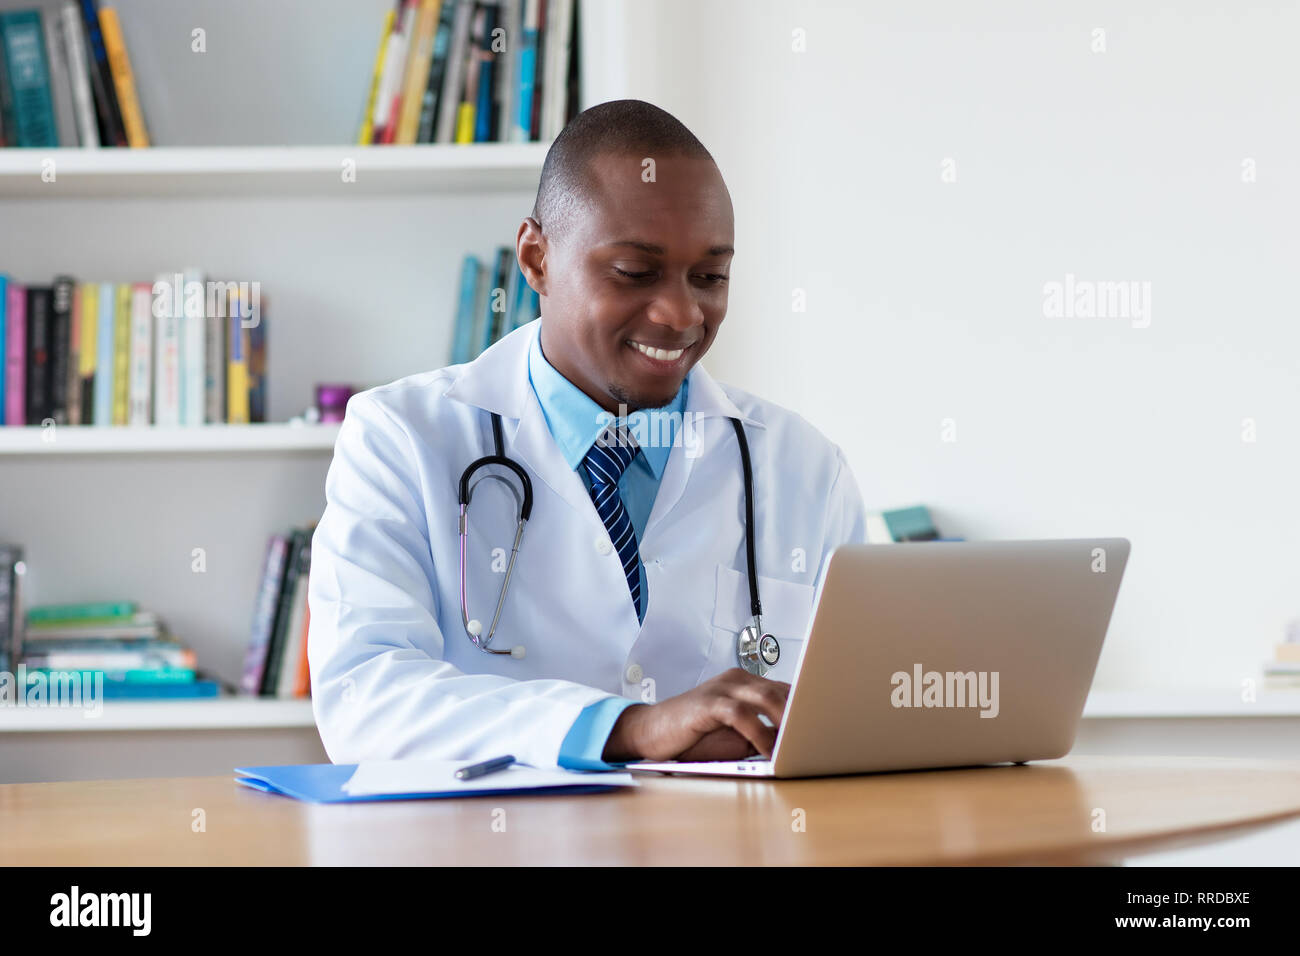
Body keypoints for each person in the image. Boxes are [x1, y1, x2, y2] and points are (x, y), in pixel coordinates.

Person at [307, 99, 867, 770]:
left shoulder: (801, 466)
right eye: (636, 273)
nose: (682, 312)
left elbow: (860, 701)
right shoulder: (401, 437)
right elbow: (364, 699)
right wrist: (627, 728)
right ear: (537, 259)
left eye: (710, 277)